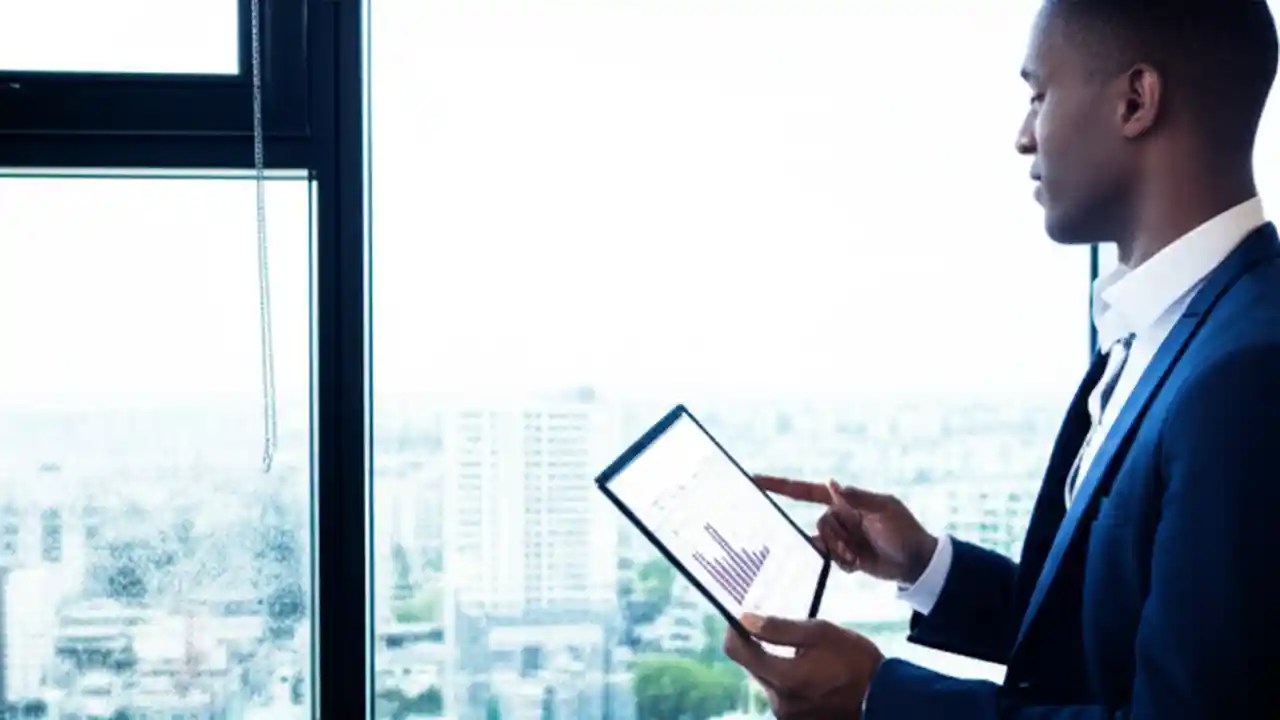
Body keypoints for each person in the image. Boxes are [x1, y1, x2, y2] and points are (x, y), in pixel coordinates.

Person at [721, 0, 1280, 717]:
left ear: (1135, 101)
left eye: (1039, 95)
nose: (1024, 137)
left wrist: (877, 699)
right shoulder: (1166, 329)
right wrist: (929, 567)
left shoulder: (1244, 373)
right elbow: (1112, 634)